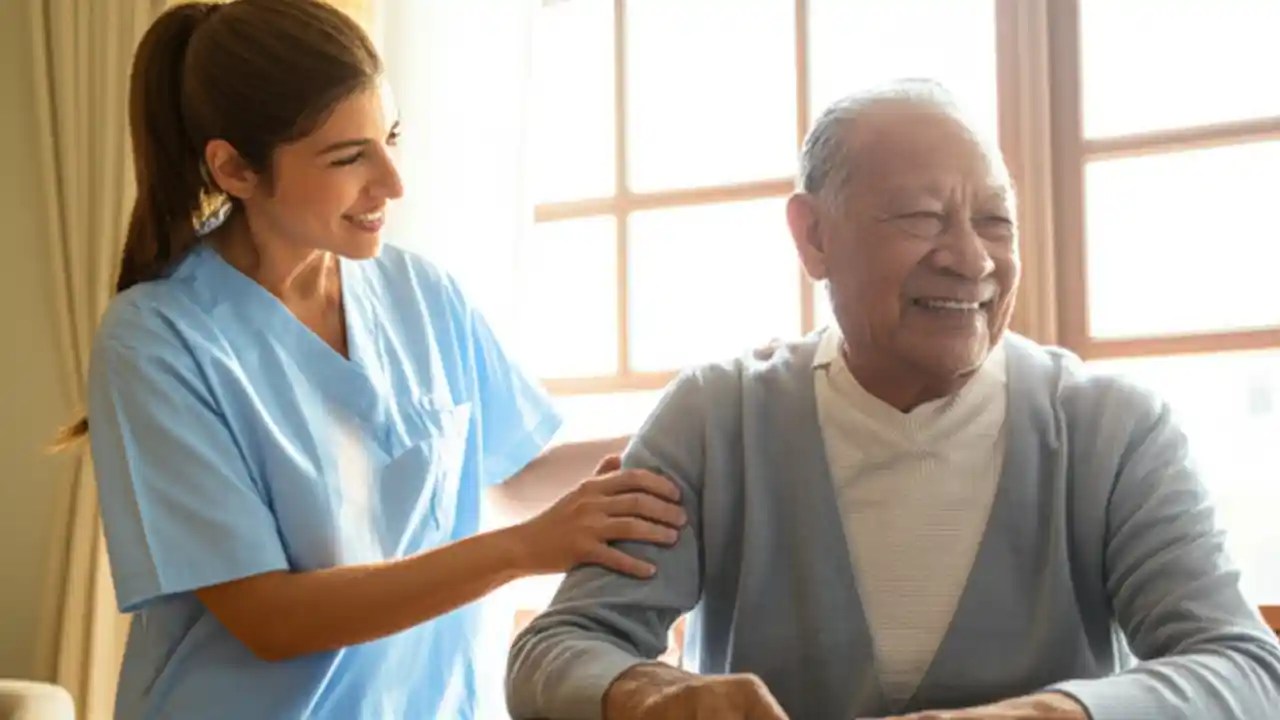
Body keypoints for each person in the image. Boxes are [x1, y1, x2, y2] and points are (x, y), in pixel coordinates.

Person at [504, 80, 1280, 720]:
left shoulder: (1112, 430)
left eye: (994, 222)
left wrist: (1051, 715)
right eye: (920, 218)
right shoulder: (716, 418)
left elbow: (1244, 668)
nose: (972, 260)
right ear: (813, 237)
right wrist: (646, 693)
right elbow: (555, 651)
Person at [59, 1, 686, 718]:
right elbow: (271, 618)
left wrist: (701, 432)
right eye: (348, 156)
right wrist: (523, 551)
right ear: (234, 169)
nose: (392, 182)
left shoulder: (422, 294)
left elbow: (514, 474)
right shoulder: (158, 340)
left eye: (390, 138)